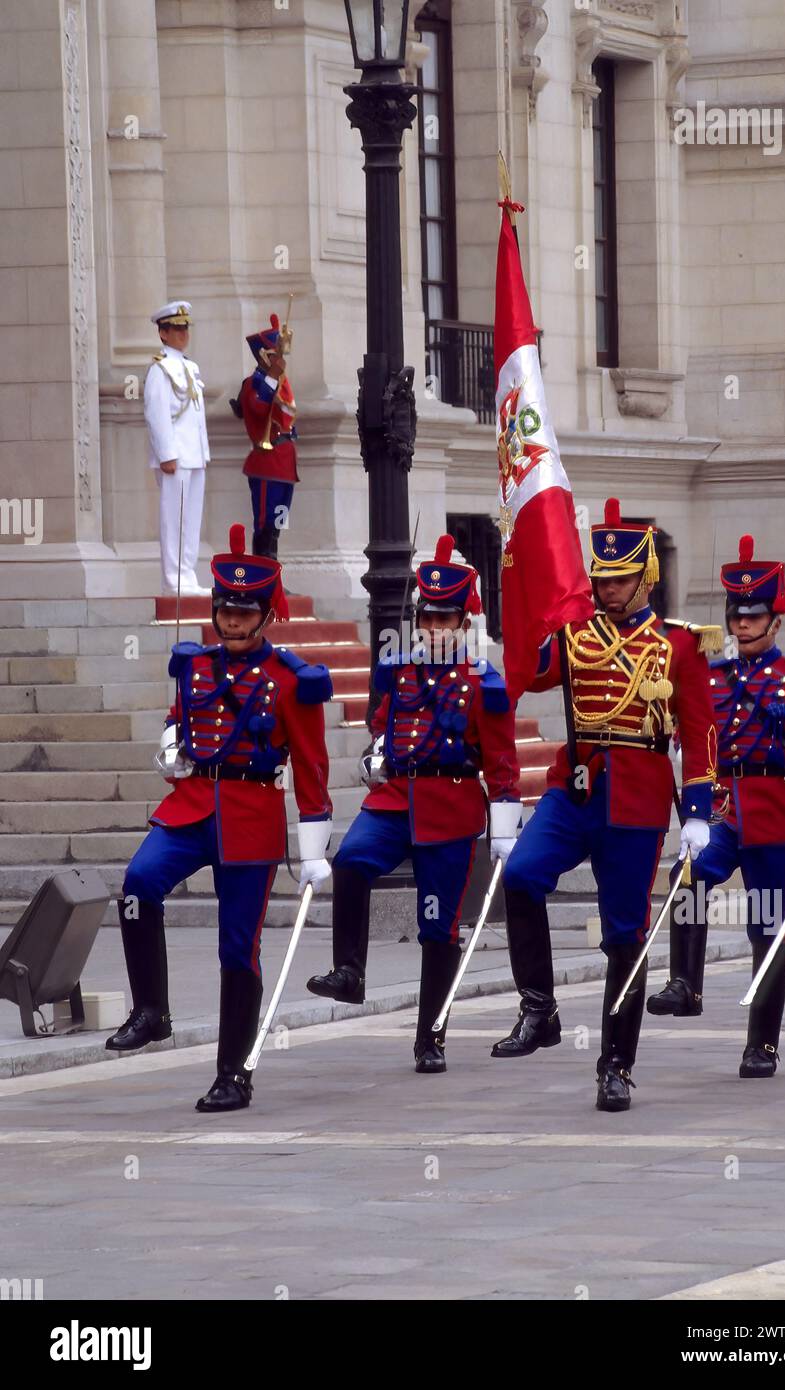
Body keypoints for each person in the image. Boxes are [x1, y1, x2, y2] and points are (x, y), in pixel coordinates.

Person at [492, 499, 720, 1112]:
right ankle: (540, 1008)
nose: (609, 589)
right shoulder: (574, 632)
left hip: (637, 799)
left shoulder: (678, 645)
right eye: (601, 579)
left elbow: (698, 730)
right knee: (520, 875)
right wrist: (518, 583)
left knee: (625, 935)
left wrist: (697, 811)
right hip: (576, 787)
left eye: (620, 579)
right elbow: (527, 672)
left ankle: (616, 1064)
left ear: (645, 578)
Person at [106, 524, 333, 1114]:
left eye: (243, 614)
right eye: (224, 613)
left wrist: (313, 843)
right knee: (138, 885)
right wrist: (171, 745)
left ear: (265, 617)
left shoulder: (291, 680)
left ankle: (233, 1074)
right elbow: (177, 720)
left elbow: (311, 763)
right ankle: (151, 1009)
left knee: (237, 949)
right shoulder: (194, 664)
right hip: (191, 807)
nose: (231, 624)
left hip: (251, 816)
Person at [307, 536, 522, 1074]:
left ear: (464, 623)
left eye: (445, 620)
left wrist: (504, 823)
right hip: (394, 798)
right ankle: (349, 971)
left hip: (450, 808)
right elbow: (380, 725)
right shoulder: (398, 671)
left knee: (437, 928)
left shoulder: (483, 684)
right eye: (427, 618)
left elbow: (500, 761)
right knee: (351, 862)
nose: (434, 629)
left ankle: (431, 1037)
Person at [647, 534, 785, 1078]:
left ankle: (763, 1045)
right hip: (725, 811)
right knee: (689, 878)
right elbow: (692, 735)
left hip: (779, 819)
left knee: (767, 927)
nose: (742, 625)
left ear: (775, 621)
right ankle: (686, 984)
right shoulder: (711, 680)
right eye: (736, 615)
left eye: (754, 617)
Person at [144, 301, 211, 596]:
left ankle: (187, 574)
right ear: (163, 333)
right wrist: (166, 454)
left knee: (191, 518)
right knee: (175, 518)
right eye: (176, 329)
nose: (183, 334)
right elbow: (156, 414)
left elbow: (196, 417)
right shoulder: (160, 369)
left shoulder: (190, 367)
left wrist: (203, 452)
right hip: (176, 456)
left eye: (185, 328)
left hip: (194, 454)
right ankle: (174, 578)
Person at [231, 313, 299, 562]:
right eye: (275, 355)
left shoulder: (280, 383)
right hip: (266, 463)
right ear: (263, 356)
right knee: (264, 523)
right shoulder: (255, 383)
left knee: (278, 525)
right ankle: (263, 578)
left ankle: (274, 581)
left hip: (284, 462)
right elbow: (259, 408)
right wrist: (272, 376)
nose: (280, 360)